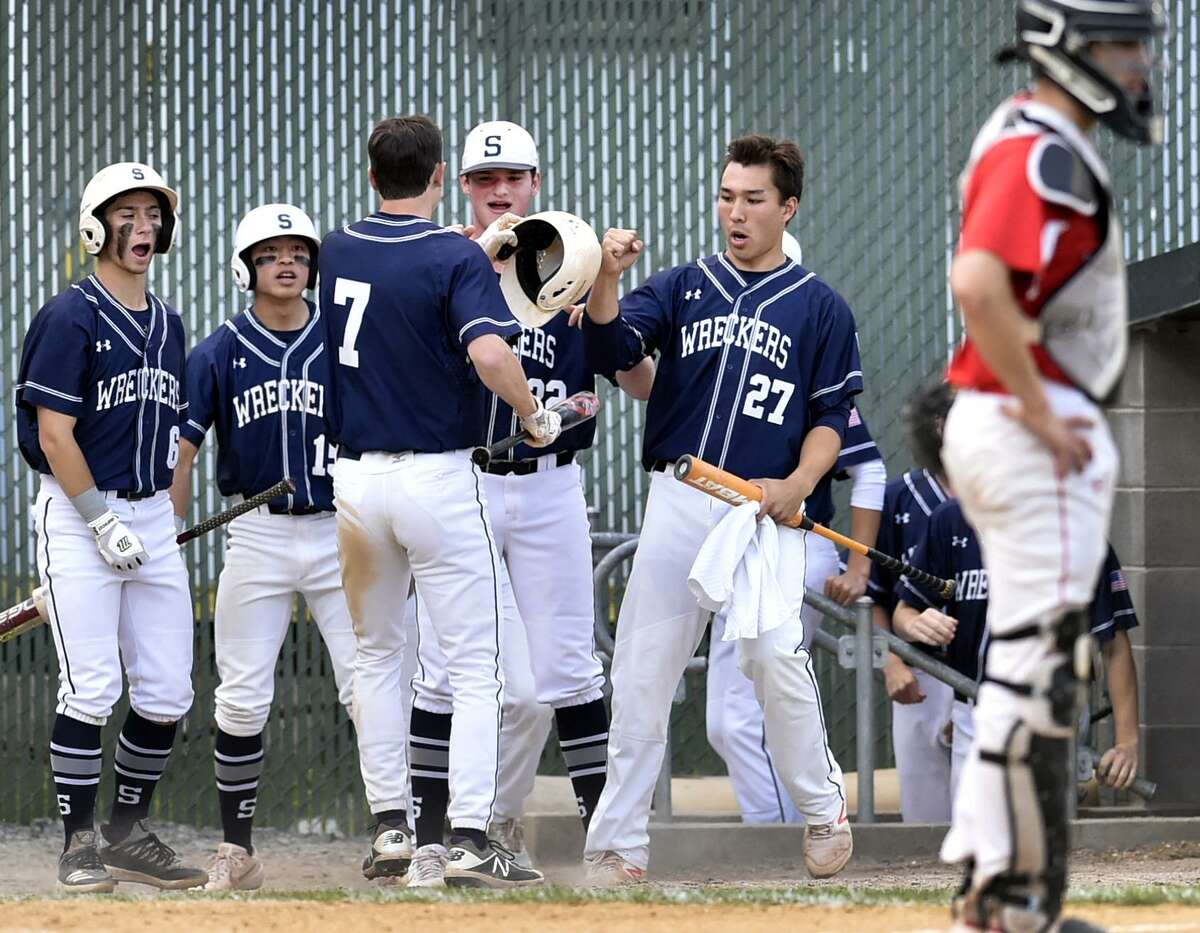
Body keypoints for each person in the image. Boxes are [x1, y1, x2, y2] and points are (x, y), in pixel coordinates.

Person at [580, 134, 861, 884]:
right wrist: (607, 277)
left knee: (773, 656)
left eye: (753, 199)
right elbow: (610, 349)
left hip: (761, 509)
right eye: (727, 196)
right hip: (680, 496)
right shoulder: (683, 285)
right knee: (642, 672)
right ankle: (618, 845)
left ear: (788, 207)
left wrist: (798, 483)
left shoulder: (821, 307)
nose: (736, 212)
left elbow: (832, 418)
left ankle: (823, 805)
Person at [939, 3, 1165, 929]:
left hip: (1011, 421)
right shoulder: (1044, 150)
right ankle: (1012, 895)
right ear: (1069, 49)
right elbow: (978, 281)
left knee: (1029, 661)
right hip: (1031, 429)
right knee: (1042, 665)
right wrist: (1036, 406)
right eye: (1123, 43)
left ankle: (997, 890)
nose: (1139, 63)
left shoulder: (1027, 132)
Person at [406, 121, 655, 870]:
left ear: (535, 182)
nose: (499, 190)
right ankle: (431, 839)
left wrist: (604, 284)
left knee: (569, 671)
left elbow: (637, 378)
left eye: (512, 177)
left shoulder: (572, 259)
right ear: (463, 187)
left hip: (551, 487)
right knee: (455, 673)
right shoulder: (442, 258)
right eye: (485, 179)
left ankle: (596, 845)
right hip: (466, 482)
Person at [319, 115, 558, 889]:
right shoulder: (452, 254)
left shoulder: (337, 249)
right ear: (439, 176)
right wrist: (532, 412)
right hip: (437, 478)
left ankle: (392, 827)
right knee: (478, 668)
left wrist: (470, 257)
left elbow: (395, 288)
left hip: (357, 481)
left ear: (371, 176)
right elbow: (489, 352)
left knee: (378, 656)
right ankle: (468, 837)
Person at [170, 204, 408, 889]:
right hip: (258, 532)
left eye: (299, 254)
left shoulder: (339, 341)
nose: (287, 264)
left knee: (367, 683)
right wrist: (166, 530)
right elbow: (183, 451)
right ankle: (237, 848)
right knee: (242, 696)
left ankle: (392, 826)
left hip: (342, 529)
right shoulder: (218, 351)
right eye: (271, 254)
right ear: (246, 267)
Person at [15, 162, 205, 892]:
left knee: (167, 693)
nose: (143, 226)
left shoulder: (169, 322)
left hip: (150, 512)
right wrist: (99, 521)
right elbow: (53, 433)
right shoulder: (71, 315)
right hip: (77, 512)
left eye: (153, 214)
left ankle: (127, 832)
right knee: (90, 688)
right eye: (127, 213)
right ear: (96, 228)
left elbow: (172, 434)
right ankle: (78, 844)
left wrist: (161, 520)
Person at [705, 404, 886, 824]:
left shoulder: (817, 379)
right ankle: (799, 828)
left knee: (743, 720)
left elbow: (869, 470)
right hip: (736, 549)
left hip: (794, 545)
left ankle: (778, 837)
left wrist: (859, 568)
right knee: (723, 723)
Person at [894, 502, 1141, 808]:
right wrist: (914, 623)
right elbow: (904, 612)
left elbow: (1113, 646)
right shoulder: (952, 519)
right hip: (973, 711)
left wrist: (1127, 741)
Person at [869, 380, 958, 823]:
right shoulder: (898, 497)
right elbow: (873, 596)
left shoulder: (1008, 496)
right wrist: (892, 664)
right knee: (924, 822)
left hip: (988, 675)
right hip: (920, 673)